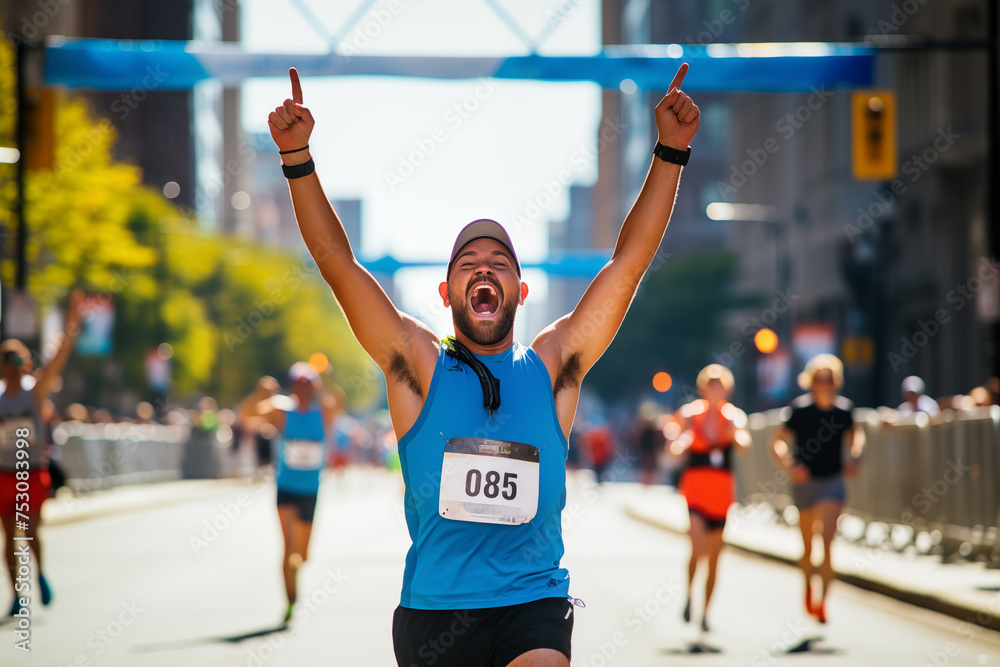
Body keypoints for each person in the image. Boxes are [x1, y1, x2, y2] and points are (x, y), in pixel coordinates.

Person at [268, 62, 699, 666]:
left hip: (534, 601)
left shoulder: (554, 365)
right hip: (434, 612)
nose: (484, 268)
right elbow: (340, 265)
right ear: (446, 293)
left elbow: (627, 265)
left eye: (500, 261)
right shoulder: (415, 364)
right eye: (468, 261)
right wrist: (297, 159)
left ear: (521, 290)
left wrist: (669, 154)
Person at [238, 362, 343, 624]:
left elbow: (339, 401)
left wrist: (326, 380)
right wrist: (259, 394)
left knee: (303, 555)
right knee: (287, 548)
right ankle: (290, 601)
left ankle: (295, 572)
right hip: (286, 487)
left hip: (310, 490)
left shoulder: (324, 412)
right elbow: (246, 416)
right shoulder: (281, 410)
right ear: (292, 385)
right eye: (298, 383)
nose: (303, 389)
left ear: (314, 386)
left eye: (308, 383)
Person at [1, 289, 83, 615]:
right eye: (8, 363)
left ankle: (40, 574)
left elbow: (58, 358)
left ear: (27, 365)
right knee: (9, 538)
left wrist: (73, 324)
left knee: (31, 531)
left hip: (31, 472)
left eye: (19, 362)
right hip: (4, 473)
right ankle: (18, 596)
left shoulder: (35, 394)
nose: (14, 369)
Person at [769, 353, 864, 624]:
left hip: (832, 480)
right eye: (820, 380)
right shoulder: (799, 410)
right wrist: (790, 467)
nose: (824, 385)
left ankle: (824, 601)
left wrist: (856, 455)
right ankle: (808, 589)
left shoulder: (845, 411)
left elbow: (856, 435)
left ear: (836, 382)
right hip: (805, 481)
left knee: (828, 541)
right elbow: (777, 442)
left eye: (829, 380)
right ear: (811, 382)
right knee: (808, 546)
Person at [670, 364, 749, 632]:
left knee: (715, 555)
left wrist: (736, 437)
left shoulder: (733, 416)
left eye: (720, 384)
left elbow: (744, 440)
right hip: (695, 490)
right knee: (697, 545)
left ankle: (705, 612)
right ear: (703, 387)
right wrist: (680, 442)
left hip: (721, 492)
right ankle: (690, 594)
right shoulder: (691, 415)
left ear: (727, 388)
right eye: (711, 383)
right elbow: (675, 438)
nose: (715, 388)